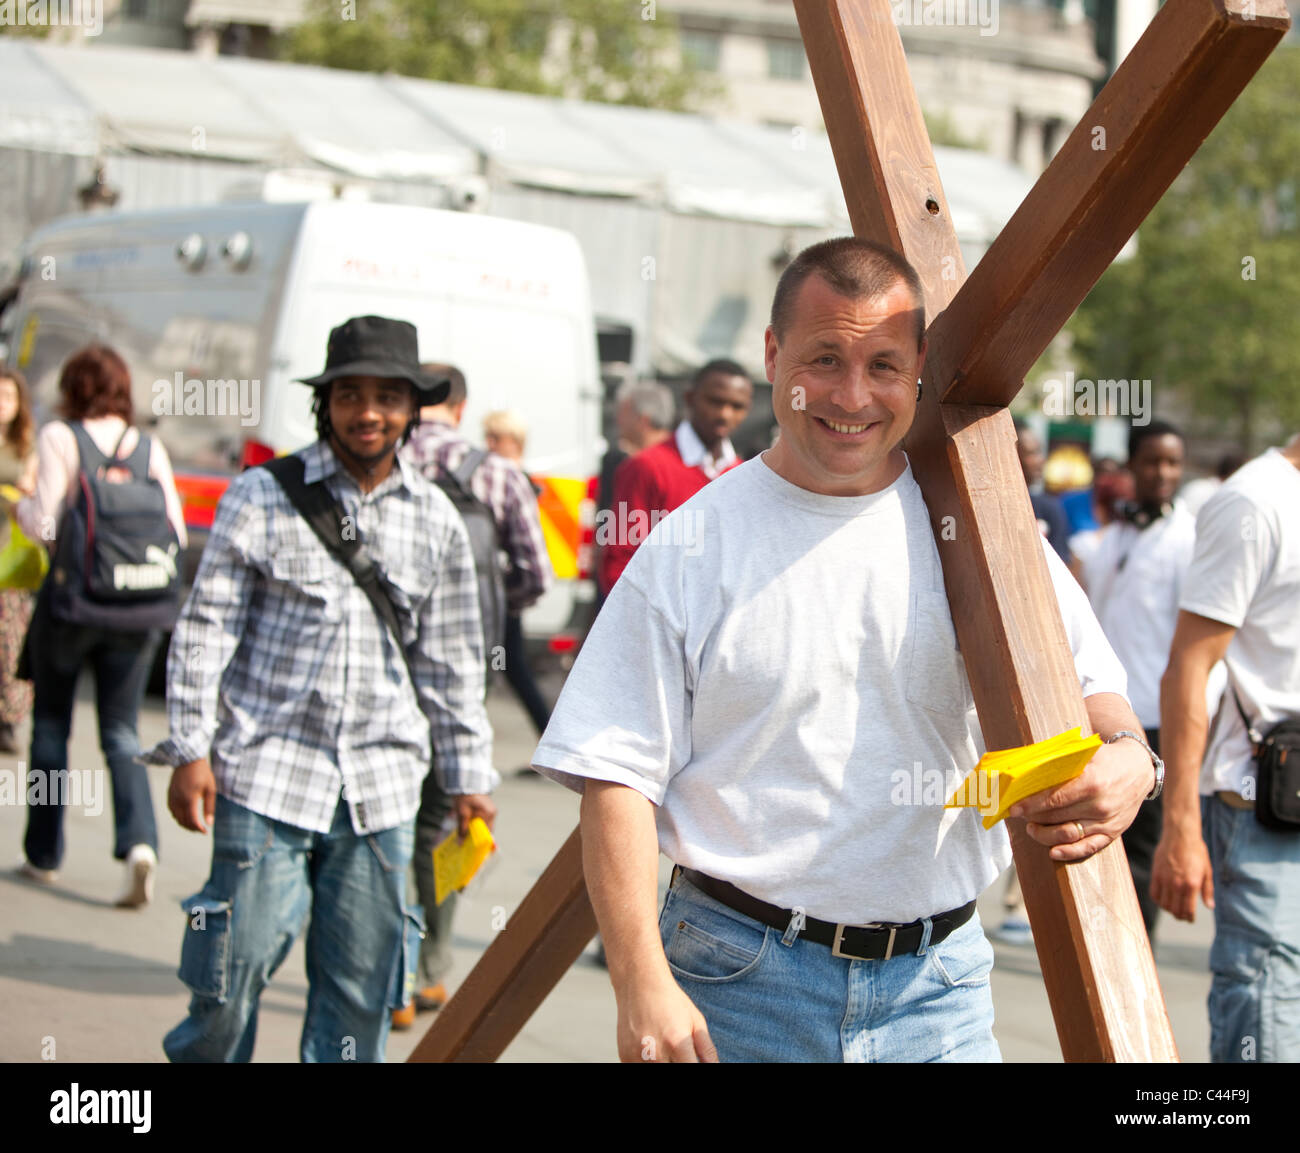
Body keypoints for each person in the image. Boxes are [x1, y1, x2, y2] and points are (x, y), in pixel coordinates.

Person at [532, 238, 1159, 1063]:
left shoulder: (980, 527)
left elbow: (1097, 690)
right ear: (771, 354)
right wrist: (639, 979)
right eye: (824, 358)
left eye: (884, 365)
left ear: (921, 369)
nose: (853, 394)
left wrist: (1130, 760)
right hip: (737, 984)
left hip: (941, 991)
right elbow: (616, 775)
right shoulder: (692, 546)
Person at [145, 316, 496, 1062]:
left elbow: (454, 664)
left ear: (411, 409)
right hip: (263, 774)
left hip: (383, 787)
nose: (368, 412)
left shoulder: (435, 518)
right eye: (351, 395)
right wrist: (189, 748)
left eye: (387, 397)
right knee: (226, 977)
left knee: (361, 993)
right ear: (325, 403)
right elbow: (205, 628)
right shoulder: (261, 496)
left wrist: (468, 779)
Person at [397, 363, 550, 1027]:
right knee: (447, 812)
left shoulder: (379, 457)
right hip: (465, 664)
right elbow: (536, 575)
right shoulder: (496, 472)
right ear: (459, 407)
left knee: (383, 819)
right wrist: (480, 610)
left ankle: (387, 975)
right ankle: (428, 970)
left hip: (383, 662)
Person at [12, 345, 186, 907]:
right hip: (138, 610)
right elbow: (177, 534)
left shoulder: (62, 437)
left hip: (72, 604)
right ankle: (139, 845)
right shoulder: (149, 446)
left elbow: (43, 523)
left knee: (51, 727)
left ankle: (43, 853)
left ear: (72, 386)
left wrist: (21, 511)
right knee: (122, 731)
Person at [1151, 432, 1300, 1063]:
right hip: (1262, 804)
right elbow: (1190, 666)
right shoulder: (1257, 502)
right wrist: (1181, 825)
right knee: (1265, 1012)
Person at [1080, 421, 1194, 939]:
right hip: (1099, 715)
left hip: (1153, 719)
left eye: (1172, 462)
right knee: (1097, 843)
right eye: (1153, 461)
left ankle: (1136, 953)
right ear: (1130, 466)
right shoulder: (1109, 539)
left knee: (1142, 850)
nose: (1163, 473)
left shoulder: (1187, 541)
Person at [598, 361, 752, 593]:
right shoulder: (645, 467)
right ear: (690, 398)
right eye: (715, 401)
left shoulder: (744, 476)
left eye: (736, 406)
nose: (724, 414)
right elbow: (620, 560)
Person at [595, 379, 675, 604]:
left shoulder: (644, 465)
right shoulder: (681, 462)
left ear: (643, 419)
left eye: (624, 413)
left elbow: (622, 539)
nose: (618, 421)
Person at [0, 368, 38, 755]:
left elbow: (34, 490)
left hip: (10, 560)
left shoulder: (25, 444)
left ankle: (10, 719)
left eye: (8, 396)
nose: (2, 403)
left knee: (11, 643)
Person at [1014, 419, 1072, 563]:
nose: (1041, 460)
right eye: (1031, 453)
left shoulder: (1050, 509)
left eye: (1039, 451)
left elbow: (1061, 566)